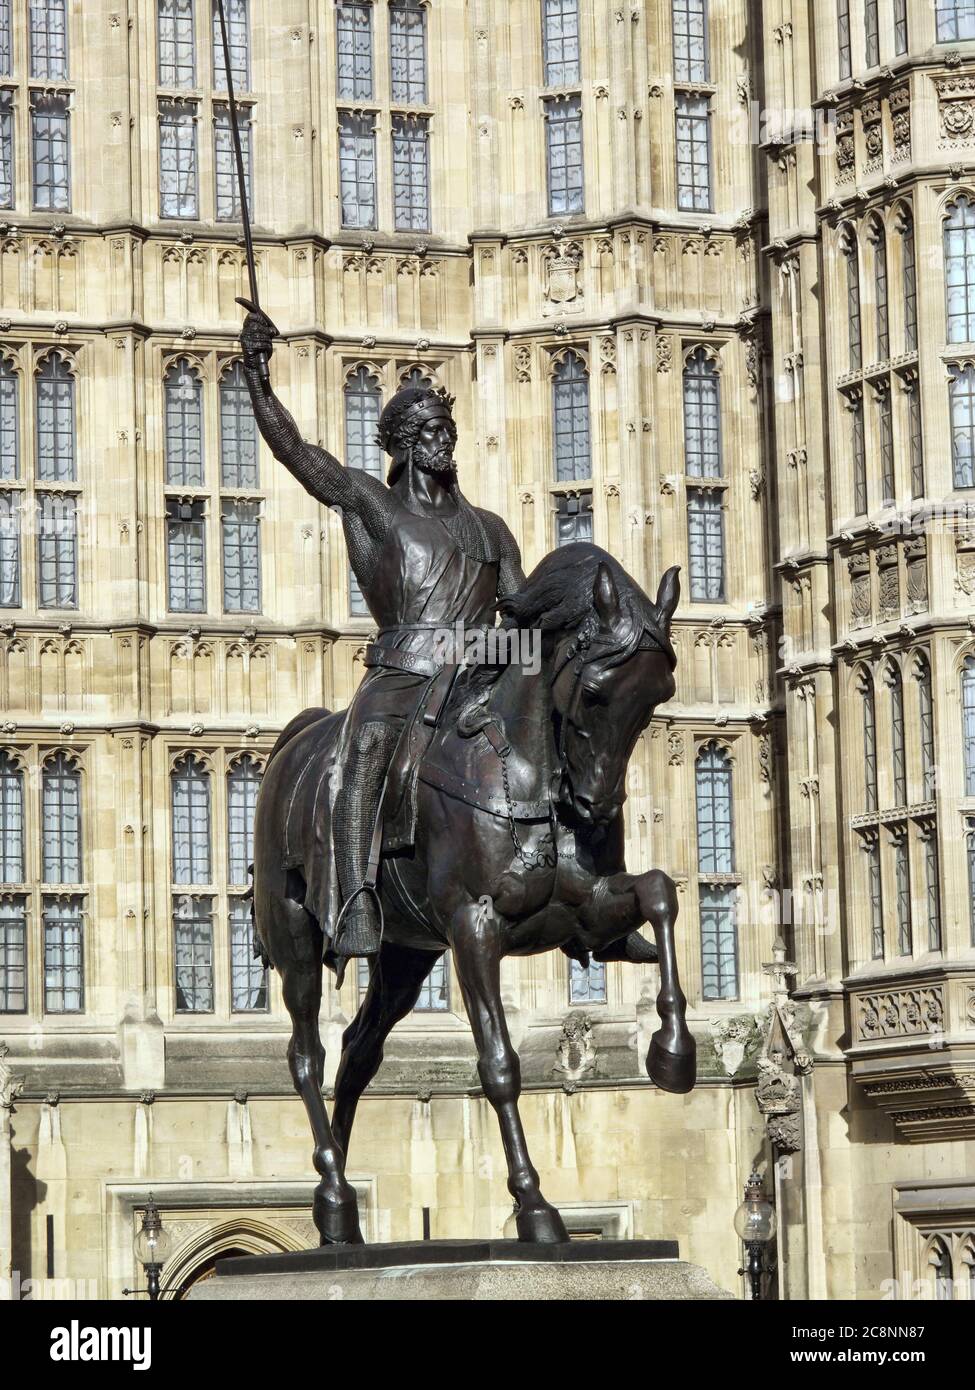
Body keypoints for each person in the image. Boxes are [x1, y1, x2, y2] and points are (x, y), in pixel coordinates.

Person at [240, 309, 526, 963]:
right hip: (403, 673)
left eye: (446, 429)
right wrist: (258, 377)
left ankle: (589, 893)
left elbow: (522, 608)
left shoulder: (489, 528)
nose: (441, 440)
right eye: (427, 431)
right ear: (400, 443)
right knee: (363, 750)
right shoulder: (376, 505)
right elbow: (299, 455)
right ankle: (353, 900)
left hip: (480, 674)